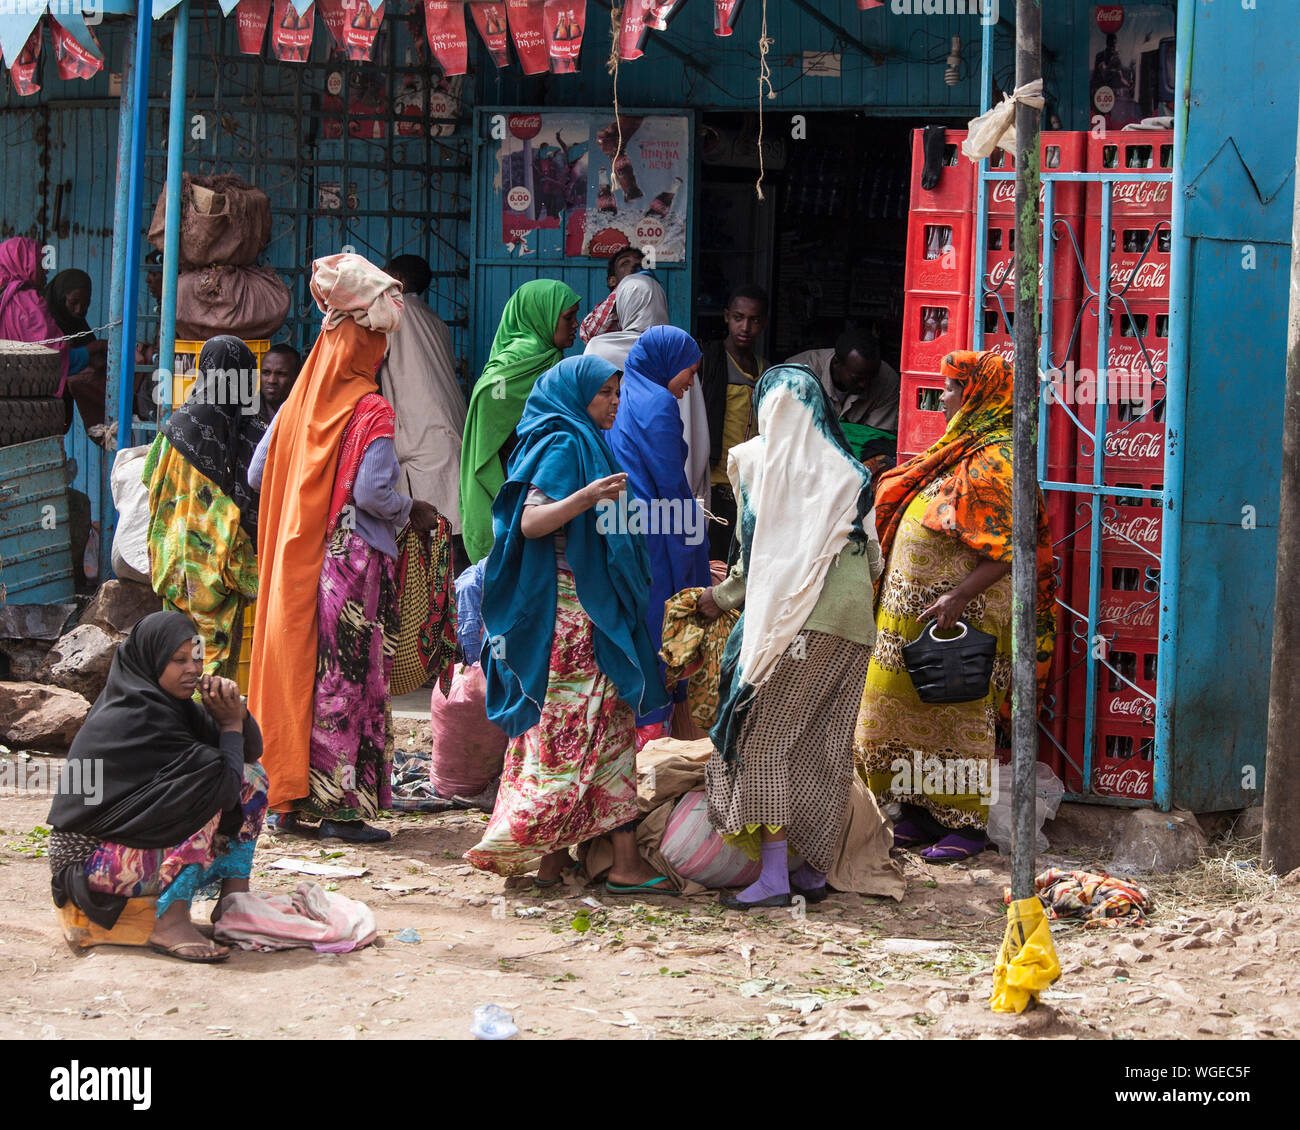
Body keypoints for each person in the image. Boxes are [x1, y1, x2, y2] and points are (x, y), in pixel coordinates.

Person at [248, 253, 444, 844]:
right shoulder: (370, 407)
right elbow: (374, 492)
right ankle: (338, 812)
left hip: (296, 557)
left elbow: (260, 476)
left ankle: (284, 802)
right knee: (346, 681)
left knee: (297, 672)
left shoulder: (298, 402)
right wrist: (416, 509)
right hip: (352, 563)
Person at [465, 355, 672, 892]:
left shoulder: (583, 438)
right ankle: (523, 843)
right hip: (571, 620)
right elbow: (530, 523)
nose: (614, 402)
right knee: (574, 732)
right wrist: (586, 498)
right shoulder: (563, 442)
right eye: (605, 392)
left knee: (605, 729)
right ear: (579, 395)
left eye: (616, 392)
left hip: (588, 614)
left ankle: (567, 865)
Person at [853, 350, 1057, 862]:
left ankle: (965, 826)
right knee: (904, 719)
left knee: (958, 722)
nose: (942, 396)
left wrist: (958, 595)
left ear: (979, 393)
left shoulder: (1000, 459)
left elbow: (1014, 547)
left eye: (950, 387)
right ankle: (921, 812)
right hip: (910, 622)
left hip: (961, 621)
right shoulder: (959, 449)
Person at [697, 364, 884, 910]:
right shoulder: (850, 472)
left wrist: (720, 600)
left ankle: (775, 875)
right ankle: (813, 871)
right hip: (854, 625)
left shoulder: (757, 461)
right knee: (823, 746)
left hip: (797, 624)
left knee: (761, 740)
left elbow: (753, 559)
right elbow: (871, 558)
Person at [46, 611, 268, 963]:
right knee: (206, 784)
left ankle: (233, 904)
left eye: (196, 658)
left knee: (251, 776)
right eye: (178, 660)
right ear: (150, 661)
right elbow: (220, 787)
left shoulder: (172, 706)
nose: (193, 670)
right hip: (86, 861)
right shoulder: (134, 714)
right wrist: (227, 726)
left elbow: (249, 755)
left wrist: (237, 715)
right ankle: (171, 922)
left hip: (124, 840)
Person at [606, 325, 708, 740]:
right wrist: (694, 540)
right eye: (690, 371)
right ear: (669, 365)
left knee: (636, 622)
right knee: (666, 623)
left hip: (623, 522)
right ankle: (656, 731)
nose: (690, 382)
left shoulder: (624, 392)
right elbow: (669, 480)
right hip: (657, 531)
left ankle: (635, 725)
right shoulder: (660, 404)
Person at [143, 336, 266, 679]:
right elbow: (254, 492)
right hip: (218, 570)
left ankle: (181, 717)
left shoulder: (175, 426)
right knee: (215, 654)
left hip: (174, 563)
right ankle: (211, 721)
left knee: (179, 649)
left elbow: (148, 475)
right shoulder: (247, 428)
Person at [460, 278, 581, 563]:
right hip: (515, 480)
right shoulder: (513, 363)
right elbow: (491, 406)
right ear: (541, 316)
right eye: (568, 317)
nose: (576, 324)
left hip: (546, 482)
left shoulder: (552, 359)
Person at [585, 272, 711, 504]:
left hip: (609, 486)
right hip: (670, 490)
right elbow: (696, 436)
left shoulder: (599, 350)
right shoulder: (679, 354)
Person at [379, 254, 467, 555]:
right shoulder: (436, 321)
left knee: (431, 539)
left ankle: (440, 602)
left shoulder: (394, 315)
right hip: (447, 432)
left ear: (397, 281)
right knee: (449, 532)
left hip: (423, 440)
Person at [0, 238, 107, 435]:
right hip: (29, 412)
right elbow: (54, 358)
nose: (46, 272)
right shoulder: (26, 303)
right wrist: (94, 349)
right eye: (40, 265)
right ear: (24, 263)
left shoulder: (5, 298)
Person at [700, 285, 768, 561]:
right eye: (739, 317)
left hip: (751, 483)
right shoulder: (708, 362)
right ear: (726, 316)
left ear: (762, 324)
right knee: (715, 559)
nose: (745, 326)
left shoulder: (764, 368)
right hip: (715, 481)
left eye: (753, 320)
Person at [785, 327, 901, 477]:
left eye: (871, 377)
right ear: (836, 363)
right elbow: (786, 433)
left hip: (854, 470)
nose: (864, 385)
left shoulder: (886, 380)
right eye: (857, 378)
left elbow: (876, 444)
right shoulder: (798, 373)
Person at [579, 247, 644, 344]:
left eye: (640, 262)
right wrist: (626, 286)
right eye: (625, 262)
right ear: (612, 281)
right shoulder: (602, 312)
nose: (635, 264)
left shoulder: (652, 303)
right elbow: (592, 336)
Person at [258, 343, 302, 421]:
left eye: (281, 374)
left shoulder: (305, 414)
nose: (271, 380)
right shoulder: (246, 415)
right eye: (266, 373)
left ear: (297, 377)